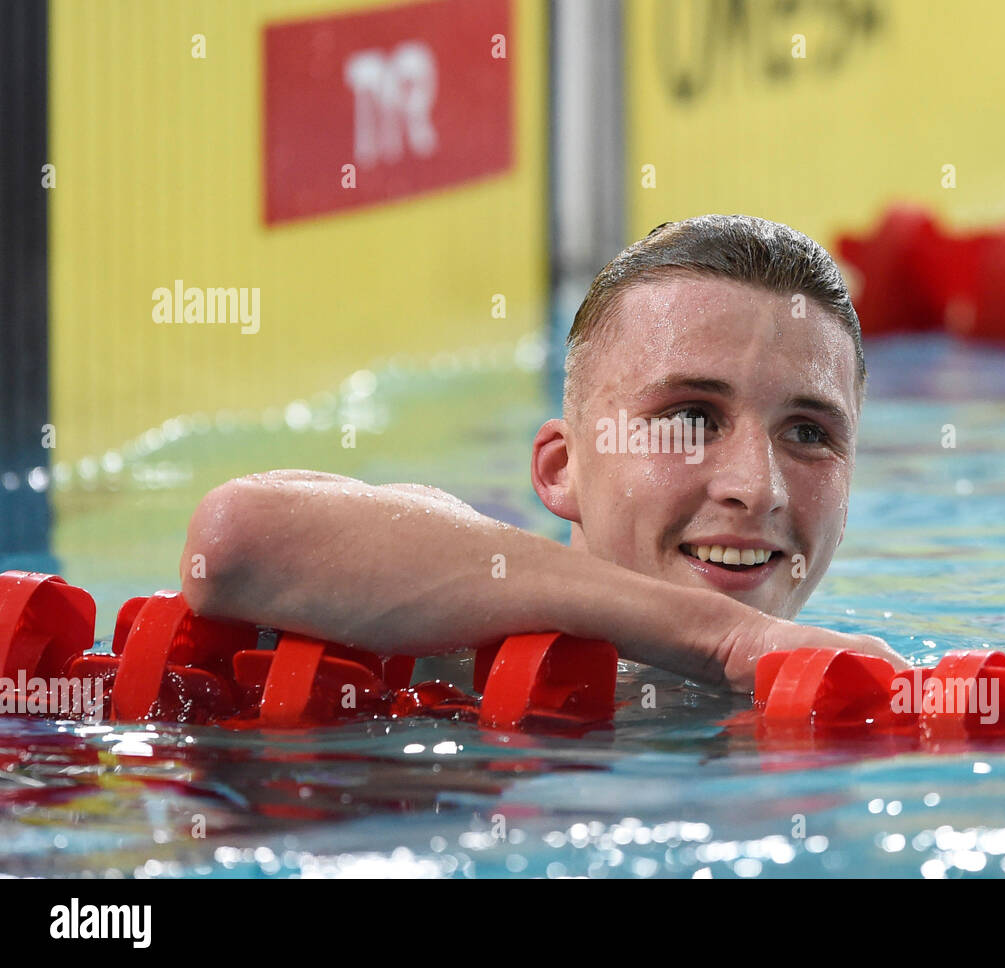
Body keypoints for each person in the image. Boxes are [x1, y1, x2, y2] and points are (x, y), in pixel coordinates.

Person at [180, 215, 910, 692]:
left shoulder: (873, 691)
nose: (760, 488)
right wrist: (729, 639)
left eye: (810, 433)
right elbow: (234, 540)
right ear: (562, 470)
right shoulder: (447, 636)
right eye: (690, 417)